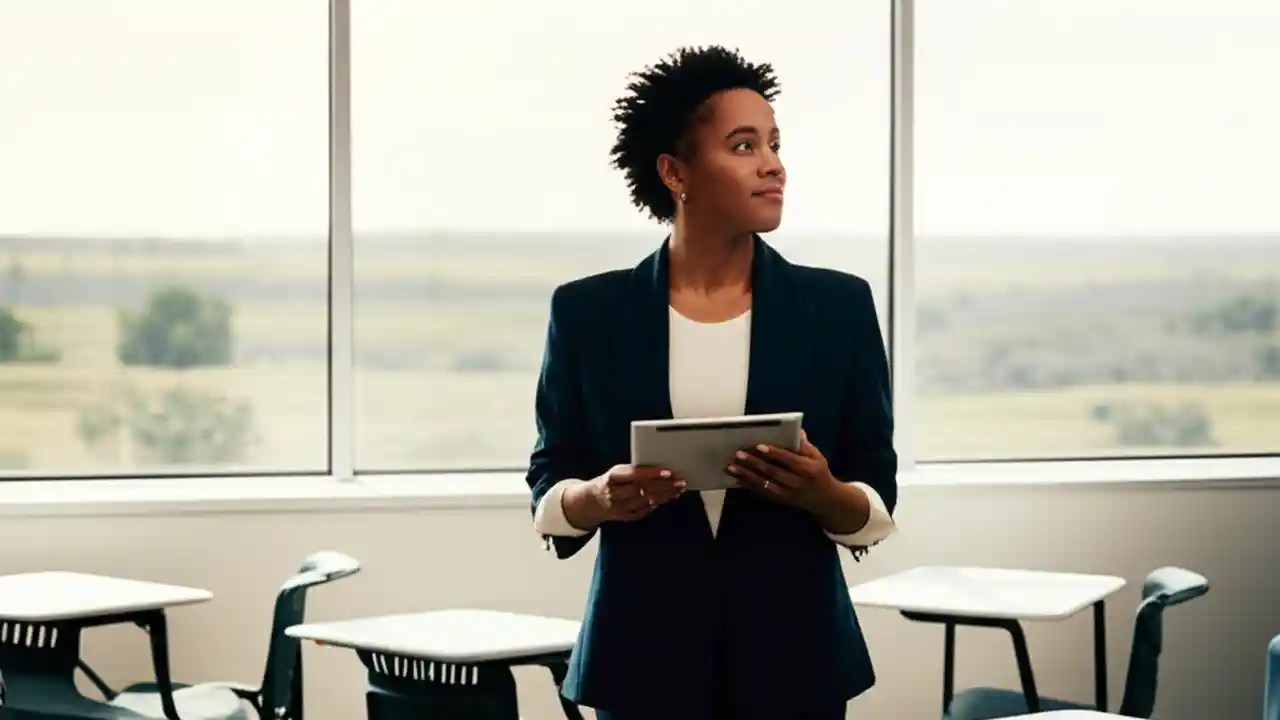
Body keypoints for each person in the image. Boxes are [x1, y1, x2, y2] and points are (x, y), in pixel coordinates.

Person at [525, 45, 898, 720]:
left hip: (798, 661)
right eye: (744, 145)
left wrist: (823, 494)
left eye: (775, 144)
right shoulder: (587, 313)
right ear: (675, 172)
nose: (773, 164)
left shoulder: (840, 307)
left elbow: (874, 496)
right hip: (641, 664)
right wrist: (598, 497)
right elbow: (551, 480)